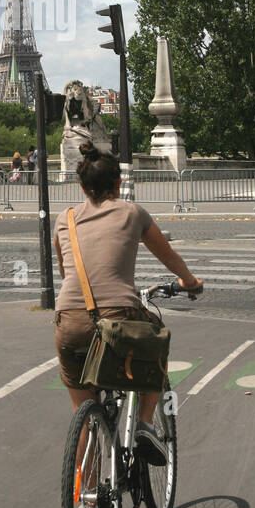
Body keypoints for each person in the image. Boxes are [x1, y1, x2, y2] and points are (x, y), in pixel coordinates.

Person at [53, 141, 203, 465]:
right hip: (118, 316)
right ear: (118, 184)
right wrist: (190, 283)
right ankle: (145, 425)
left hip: (69, 322)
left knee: (84, 417)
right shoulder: (132, 213)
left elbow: (66, 271)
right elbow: (168, 256)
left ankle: (90, 506)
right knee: (157, 338)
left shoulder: (63, 219)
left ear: (81, 185)